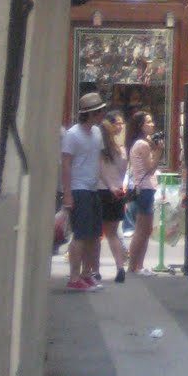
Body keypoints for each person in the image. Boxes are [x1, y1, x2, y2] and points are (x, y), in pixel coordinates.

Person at [60, 93, 107, 292]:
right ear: (91, 114)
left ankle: (86, 274)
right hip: (79, 189)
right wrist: (68, 193)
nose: (103, 114)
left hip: (92, 188)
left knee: (93, 235)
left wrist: (107, 183)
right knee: (80, 234)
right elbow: (66, 164)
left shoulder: (97, 133)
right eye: (99, 111)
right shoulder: (73, 134)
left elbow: (98, 160)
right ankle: (74, 276)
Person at [126, 109, 164, 273]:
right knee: (142, 230)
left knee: (144, 230)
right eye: (148, 122)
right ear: (141, 126)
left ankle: (137, 266)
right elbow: (150, 168)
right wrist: (159, 152)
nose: (152, 125)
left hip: (142, 188)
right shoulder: (142, 144)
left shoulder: (140, 142)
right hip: (145, 188)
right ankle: (133, 266)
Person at [96, 109, 129, 283]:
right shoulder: (121, 151)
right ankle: (120, 267)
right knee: (113, 234)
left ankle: (95, 270)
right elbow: (123, 172)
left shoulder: (99, 151)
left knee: (96, 234)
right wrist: (115, 185)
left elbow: (98, 172)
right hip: (117, 193)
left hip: (101, 191)